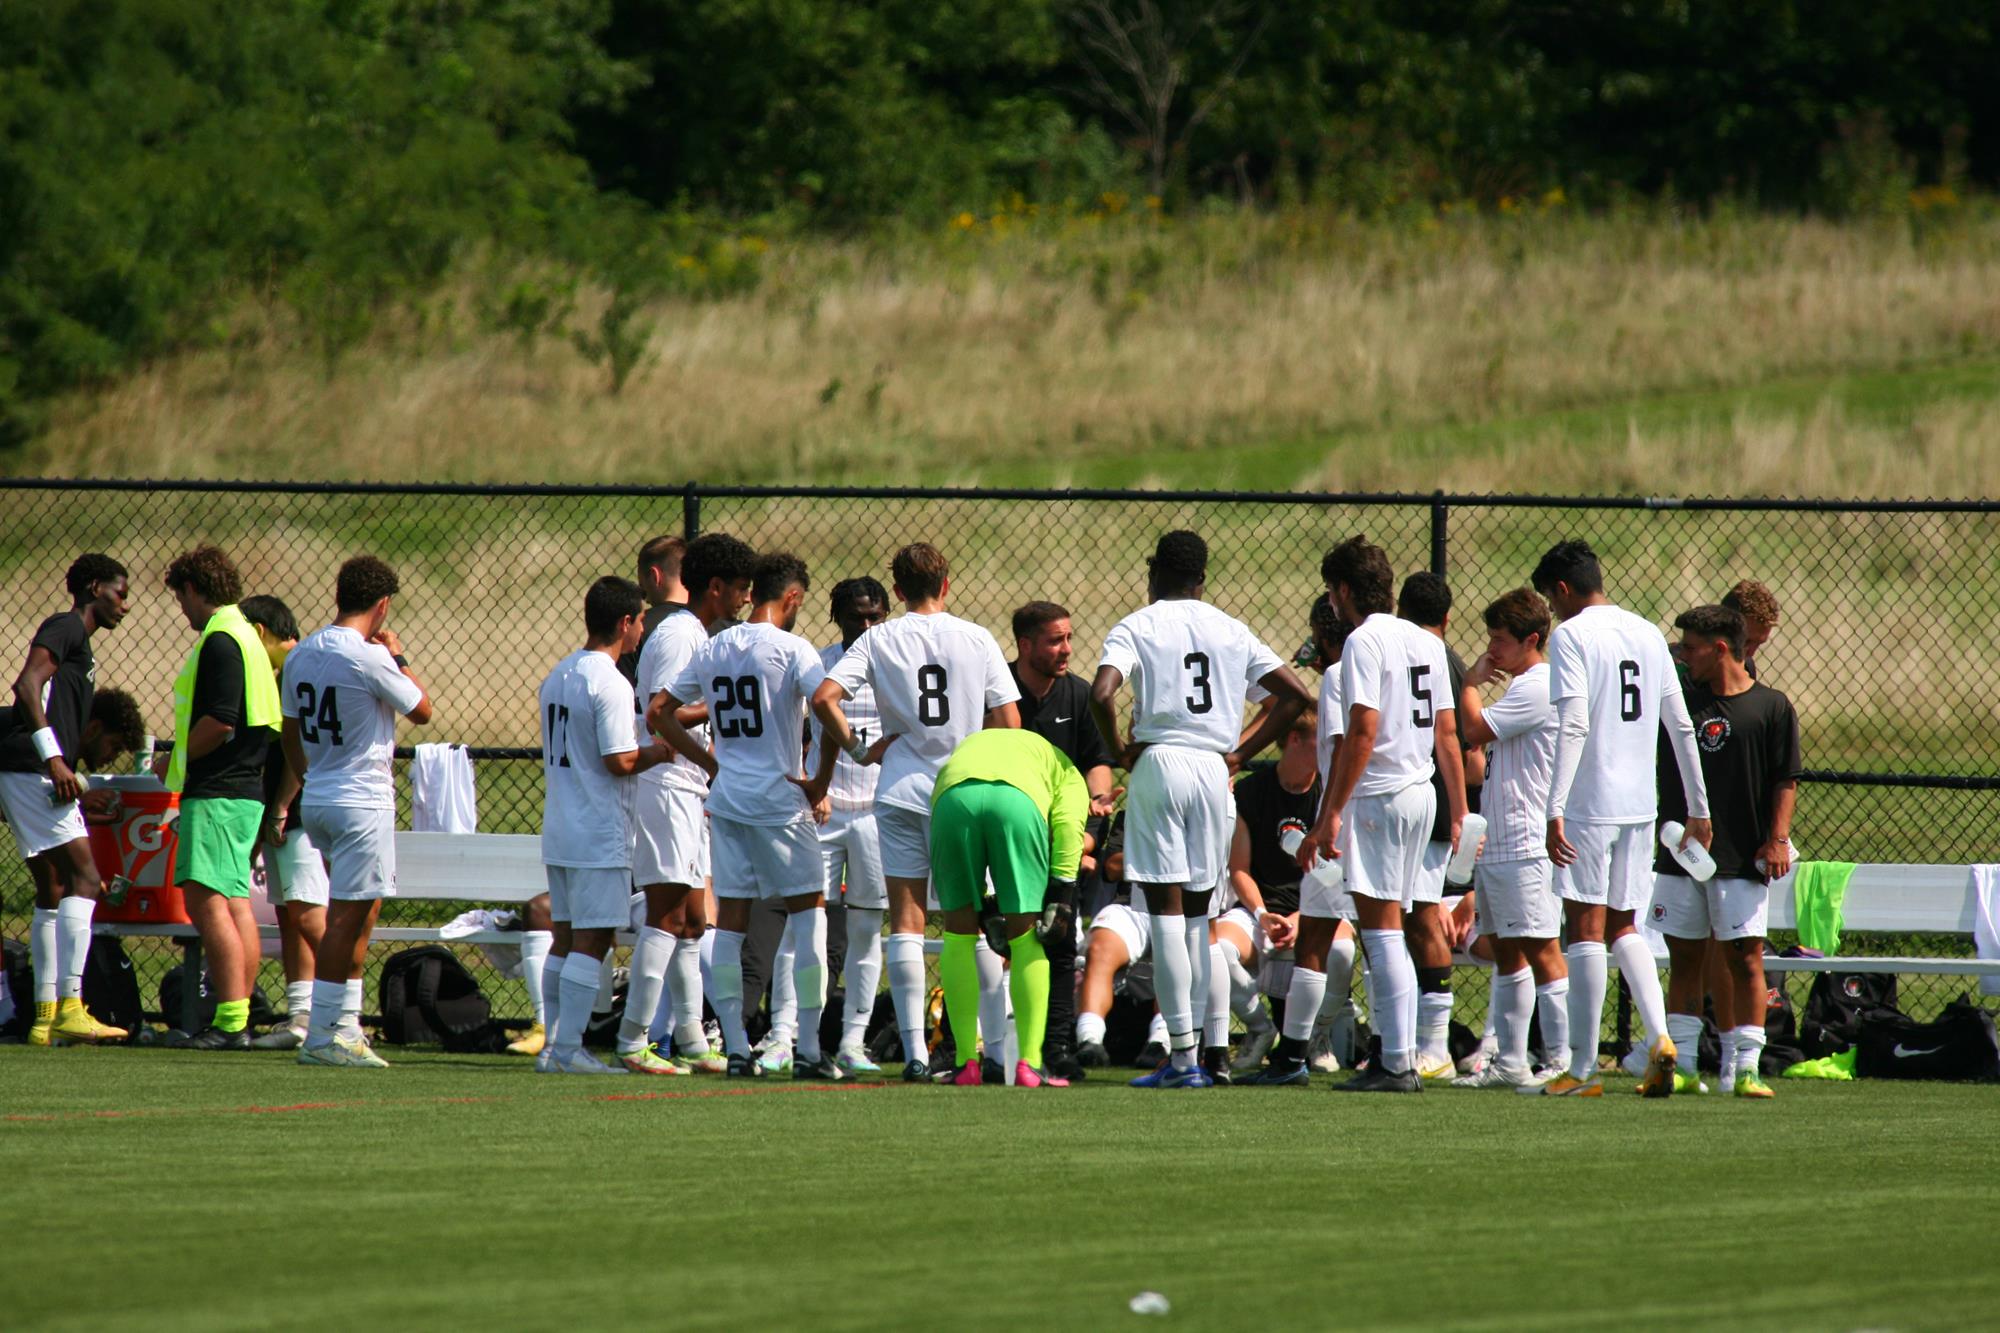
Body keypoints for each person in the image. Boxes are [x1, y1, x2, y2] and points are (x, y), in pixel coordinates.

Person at [1090, 530, 1309, 1089]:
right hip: (1215, 769)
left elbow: (1101, 693)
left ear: (1153, 571)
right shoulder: (1230, 628)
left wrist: (1117, 751)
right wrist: (1240, 752)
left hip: (1160, 762)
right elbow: (1293, 695)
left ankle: (1183, 1057)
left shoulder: (1137, 624)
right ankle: (1210, 1052)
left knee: (1162, 910)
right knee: (1199, 916)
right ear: (1202, 580)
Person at [812, 543, 1021, 1083]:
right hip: (965, 791)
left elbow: (823, 698)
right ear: (946, 584)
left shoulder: (881, 637)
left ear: (898, 592)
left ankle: (915, 1055)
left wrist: (859, 749)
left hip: (901, 787)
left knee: (903, 920)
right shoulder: (976, 637)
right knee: (970, 924)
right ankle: (989, 1050)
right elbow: (1011, 722)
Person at [1532, 539, 1710, 1098]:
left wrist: (1554, 806)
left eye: (1551, 599)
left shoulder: (1572, 635)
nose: (1553, 612)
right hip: (1641, 804)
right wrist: (1699, 808)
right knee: (1624, 926)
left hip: (1591, 804)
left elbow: (1575, 724)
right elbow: (1681, 726)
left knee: (1585, 930)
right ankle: (1659, 1039)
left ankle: (1582, 1071)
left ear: (1563, 590)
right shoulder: (1648, 632)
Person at [655, 553, 842, 1079]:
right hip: (780, 801)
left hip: (730, 800)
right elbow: (826, 708)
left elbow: (659, 713)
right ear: (793, 598)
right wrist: (822, 776)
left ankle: (737, 1047)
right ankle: (807, 1047)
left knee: (731, 920)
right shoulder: (793, 648)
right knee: (809, 915)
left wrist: (711, 763)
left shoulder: (714, 646)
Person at [1296, 535, 1467, 1093]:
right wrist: (1460, 808)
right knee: (1398, 924)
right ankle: (1403, 1057)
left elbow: (1363, 731)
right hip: (1422, 792)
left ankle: (1396, 1062)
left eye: (1332, 590)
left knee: (1384, 930)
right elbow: (1447, 733)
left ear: (1344, 590)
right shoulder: (1424, 641)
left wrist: (1331, 813)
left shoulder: (1363, 642)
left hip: (1381, 796)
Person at [277, 555, 434, 1067]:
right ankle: (322, 1035)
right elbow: (423, 710)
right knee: (346, 919)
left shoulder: (302, 653)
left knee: (361, 915)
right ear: (383, 605)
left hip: (320, 794)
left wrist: (308, 776)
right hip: (360, 801)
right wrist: (399, 655)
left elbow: (290, 731)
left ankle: (345, 1028)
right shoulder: (368, 657)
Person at [1655, 605, 1799, 1101]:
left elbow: (1785, 779)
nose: (1684, 656)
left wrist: (1777, 839)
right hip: (1683, 855)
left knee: (1747, 960)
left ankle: (1746, 1068)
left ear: (1719, 648)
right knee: (1686, 959)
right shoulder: (1681, 706)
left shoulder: (1772, 707)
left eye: (1691, 647)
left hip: (1741, 857)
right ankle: (1685, 1066)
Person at [626, 532, 756, 1074]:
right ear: (716, 587)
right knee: (667, 913)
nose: (747, 600)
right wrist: (710, 760)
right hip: (670, 785)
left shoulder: (695, 632)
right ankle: (633, 1040)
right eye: (741, 590)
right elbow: (659, 714)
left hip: (688, 789)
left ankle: (691, 1038)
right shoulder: (681, 634)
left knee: (694, 921)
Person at [535, 576, 671, 1074]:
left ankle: (553, 1045)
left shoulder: (560, 672)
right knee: (591, 941)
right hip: (598, 831)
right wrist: (662, 752)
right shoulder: (610, 681)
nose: (641, 631)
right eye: (639, 621)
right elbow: (619, 760)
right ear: (624, 623)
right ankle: (567, 1049)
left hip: (562, 827)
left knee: (565, 939)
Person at [0, 552, 135, 1047]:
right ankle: (74, 1007)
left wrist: (72, 778)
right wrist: (54, 759)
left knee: (53, 885)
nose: (126, 604)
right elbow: (26, 685)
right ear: (95, 587)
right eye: (121, 593)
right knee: (85, 877)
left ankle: (42, 1017)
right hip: (32, 767)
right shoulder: (67, 627)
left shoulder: (81, 644)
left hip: (23, 769)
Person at [1450, 589, 1570, 1090]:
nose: (1492, 649)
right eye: (1490, 639)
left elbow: (1473, 726)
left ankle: (1564, 1059)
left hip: (1526, 840)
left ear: (1531, 640)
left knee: (1542, 947)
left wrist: (1471, 682)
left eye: (1500, 640)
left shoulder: (1539, 684)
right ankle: (1511, 1062)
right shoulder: (1523, 685)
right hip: (1499, 839)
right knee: (1505, 950)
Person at [162, 546, 280, 1051]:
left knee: (208, 901)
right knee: (233, 903)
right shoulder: (245, 632)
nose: (183, 611)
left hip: (218, 791)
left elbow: (220, 720)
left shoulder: (222, 638)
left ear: (192, 589)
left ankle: (231, 1023)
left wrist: (182, 759)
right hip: (244, 790)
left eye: (180, 599)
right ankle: (237, 1017)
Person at [930, 727, 1089, 1086]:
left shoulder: (982, 742)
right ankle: (1029, 1065)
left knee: (958, 934)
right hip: (1018, 802)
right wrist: (1063, 891)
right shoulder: (1069, 773)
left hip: (952, 798)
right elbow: (1067, 825)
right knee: (1026, 938)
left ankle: (965, 1062)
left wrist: (985, 906)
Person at [1008, 600, 1118, 1079]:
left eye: (1069, 638)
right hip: (1006, 838)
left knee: (1059, 940)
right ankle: (970, 1046)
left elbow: (1098, 763)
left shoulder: (1078, 696)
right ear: (1025, 645)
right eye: (1056, 640)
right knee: (990, 936)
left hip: (1062, 842)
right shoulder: (1000, 692)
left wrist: (1089, 830)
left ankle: (1055, 1047)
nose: (1067, 649)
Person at [1395, 572, 1486, 1078]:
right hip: (1434, 805)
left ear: (1400, 611)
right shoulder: (1449, 662)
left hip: (1412, 802)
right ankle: (1421, 1043)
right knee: (1412, 918)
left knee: (1414, 918)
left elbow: (1465, 752)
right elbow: (1472, 759)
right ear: (1448, 618)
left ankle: (1431, 1047)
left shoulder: (1406, 654)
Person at [808, 576, 892, 1072]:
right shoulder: (818, 664)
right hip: (823, 811)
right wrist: (812, 790)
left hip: (878, 815)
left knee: (865, 931)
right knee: (810, 929)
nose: (866, 625)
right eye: (856, 616)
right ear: (836, 615)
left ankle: (852, 1042)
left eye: (875, 616)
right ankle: (798, 1037)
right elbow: (800, 731)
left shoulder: (895, 665)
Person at [239, 594, 323, 1050]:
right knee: (290, 916)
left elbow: (300, 745)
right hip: (283, 813)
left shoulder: (296, 668)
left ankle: (337, 1013)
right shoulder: (276, 673)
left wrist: (282, 805)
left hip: (299, 812)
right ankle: (301, 1018)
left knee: (310, 917)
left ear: (261, 632)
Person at [1223, 707, 1319, 1076]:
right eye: (1321, 741)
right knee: (1216, 950)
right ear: (1294, 740)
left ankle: (1315, 1038)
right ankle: (1261, 1028)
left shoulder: (1330, 790)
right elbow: (1239, 870)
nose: (1330, 749)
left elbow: (1335, 876)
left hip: (1315, 909)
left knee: (1340, 951)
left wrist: (1301, 917)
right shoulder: (1251, 792)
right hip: (1257, 909)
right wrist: (1262, 915)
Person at [617, 534, 688, 686]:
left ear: (655, 576)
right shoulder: (724, 626)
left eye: (643, 589)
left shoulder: (635, 628)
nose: (646, 600)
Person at [1719, 580, 1780, 676]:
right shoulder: (1692, 667)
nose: (1751, 653)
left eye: (1758, 644)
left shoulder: (1747, 667)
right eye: (1746, 641)